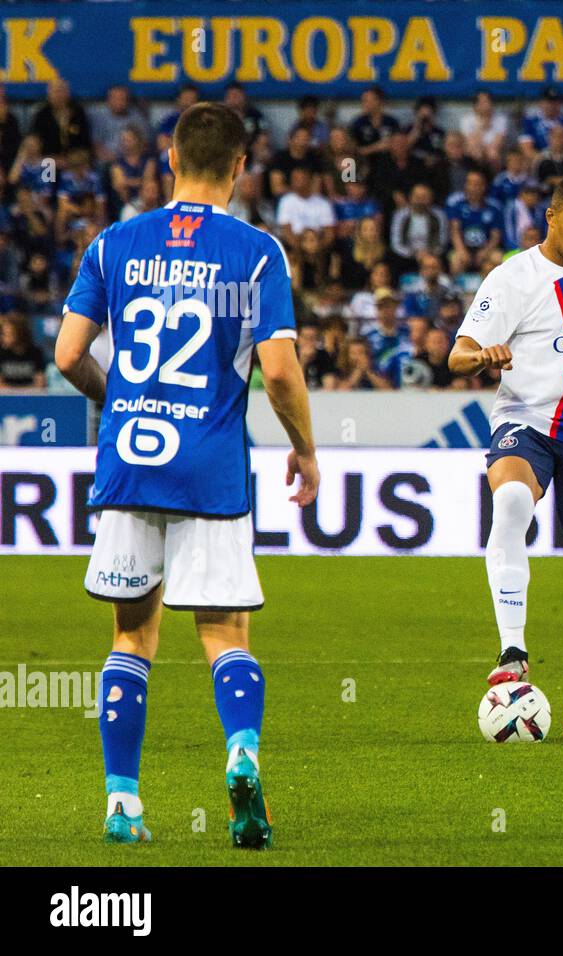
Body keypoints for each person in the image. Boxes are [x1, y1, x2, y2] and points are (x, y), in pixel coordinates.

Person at [55, 102, 319, 846]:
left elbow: (69, 355)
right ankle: (240, 753)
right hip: (209, 466)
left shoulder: (113, 244)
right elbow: (278, 370)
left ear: (169, 160)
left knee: (131, 636)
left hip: (130, 460)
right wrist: (305, 449)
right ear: (241, 165)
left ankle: (122, 803)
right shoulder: (257, 252)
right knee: (224, 631)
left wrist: (120, 398)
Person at [448, 174, 563, 742]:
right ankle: (513, 648)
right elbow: (456, 356)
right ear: (550, 217)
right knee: (510, 503)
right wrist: (483, 355)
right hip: (525, 422)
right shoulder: (512, 278)